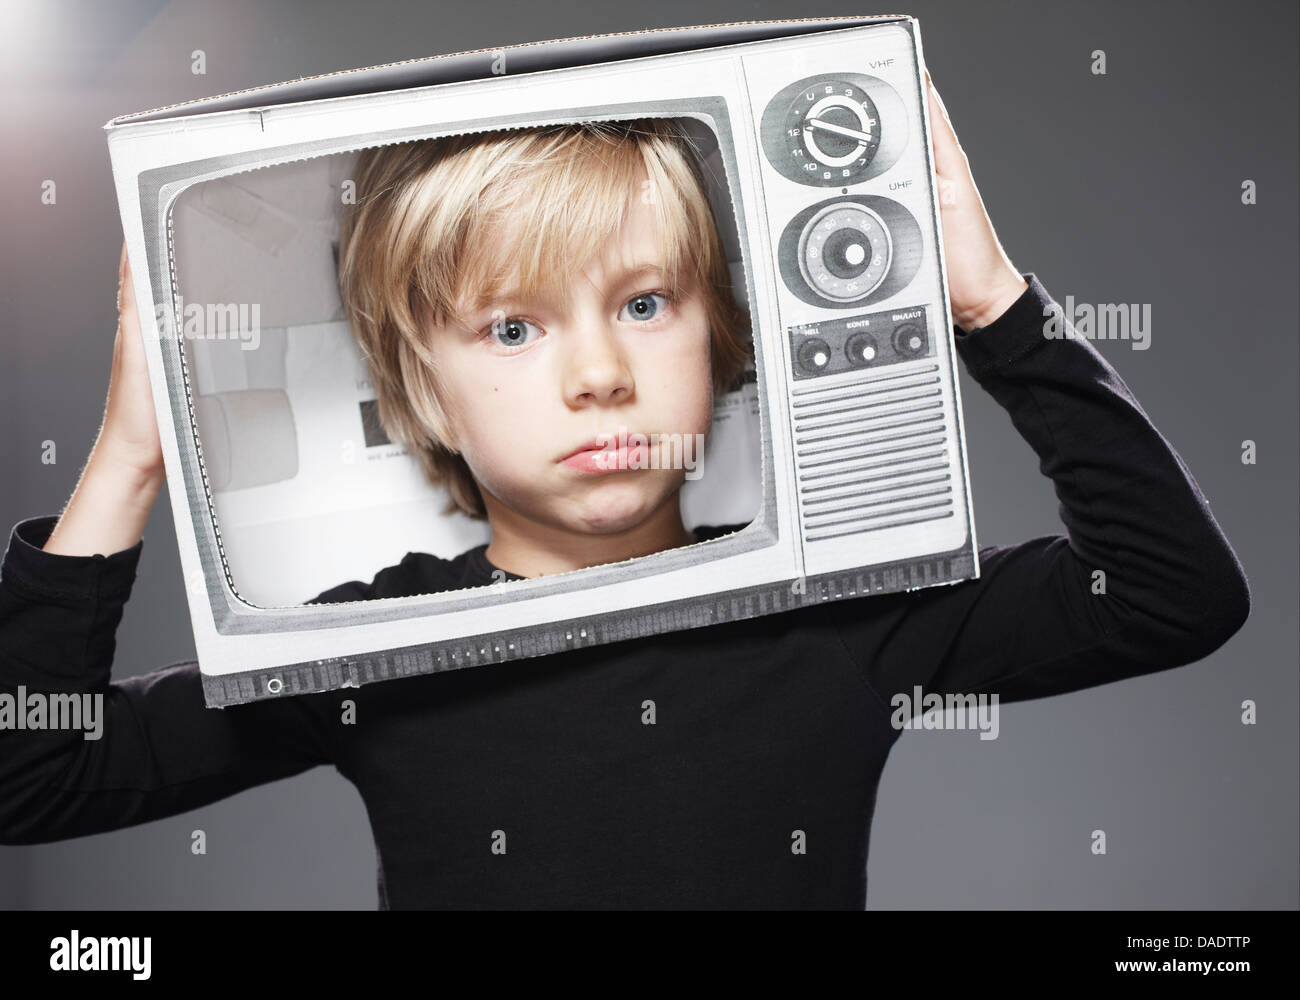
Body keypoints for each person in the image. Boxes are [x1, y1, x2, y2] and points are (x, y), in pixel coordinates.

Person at [0, 74, 1250, 909]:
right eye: (511, 330)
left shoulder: (838, 612)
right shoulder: (369, 649)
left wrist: (993, 307)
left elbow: (1168, 593)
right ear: (417, 392)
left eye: (645, 304)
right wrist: (127, 462)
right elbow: (28, 781)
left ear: (719, 342)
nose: (598, 374)